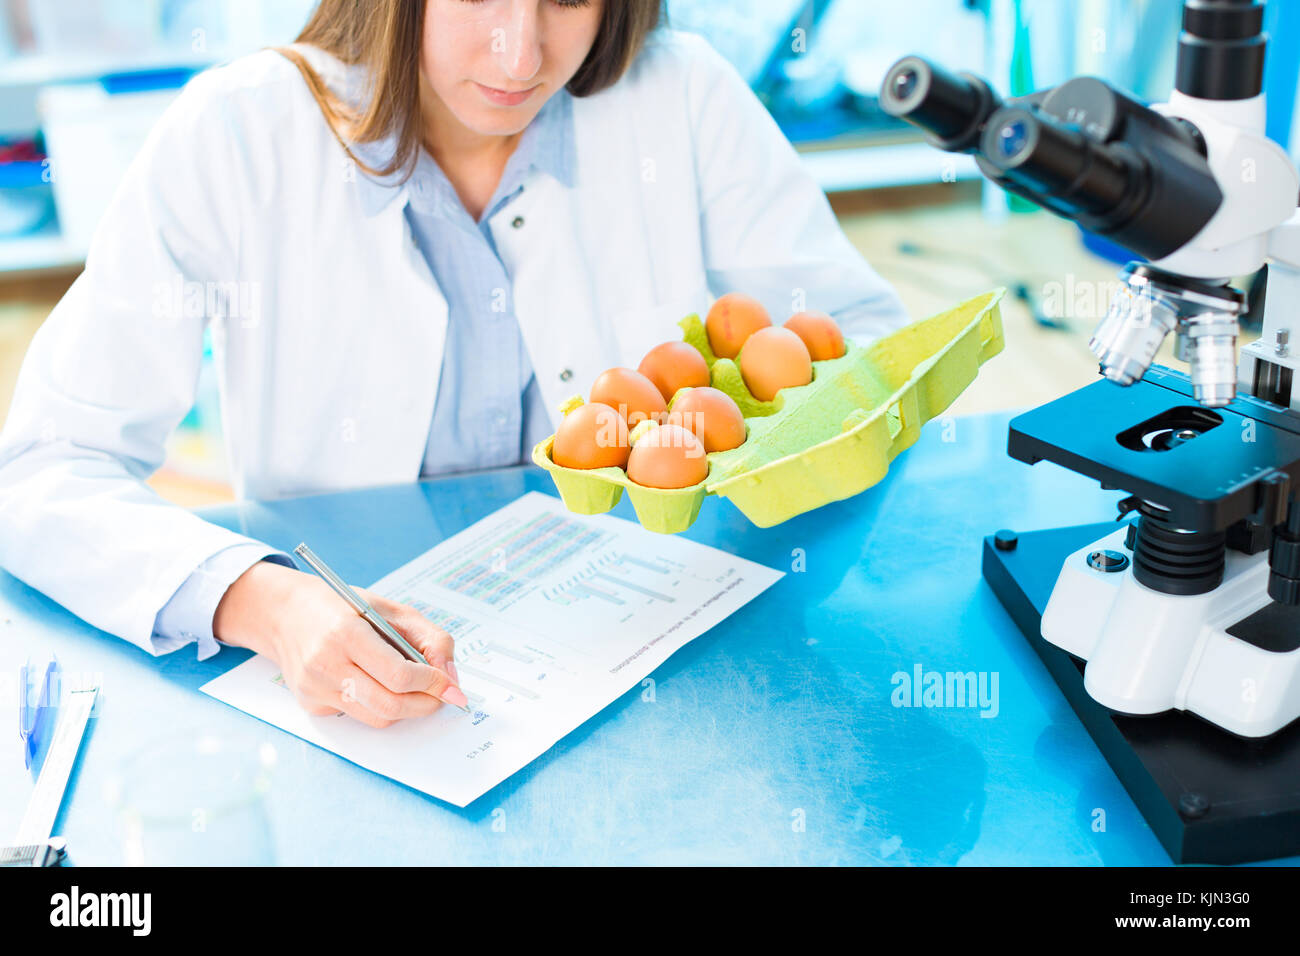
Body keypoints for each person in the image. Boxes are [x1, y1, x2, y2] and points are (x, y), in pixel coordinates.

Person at [0, 0, 909, 727]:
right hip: (356, 699)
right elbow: (42, 472)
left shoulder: (681, 94)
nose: (521, 55)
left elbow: (857, 342)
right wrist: (265, 603)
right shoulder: (239, 133)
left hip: (648, 662)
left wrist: (738, 446)